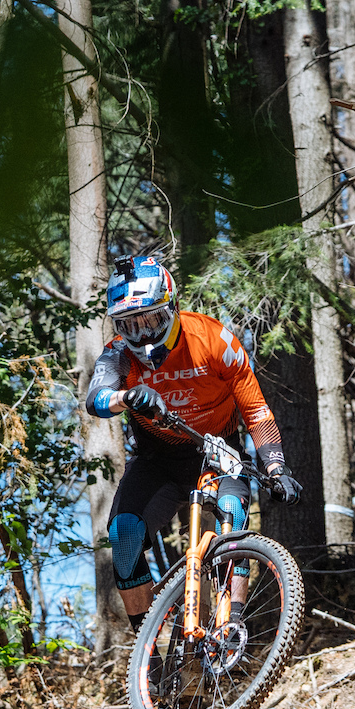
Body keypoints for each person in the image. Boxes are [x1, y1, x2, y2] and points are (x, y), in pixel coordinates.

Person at [84, 252, 302, 628]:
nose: (142, 334)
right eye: (128, 325)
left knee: (231, 524)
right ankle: (146, 648)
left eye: (151, 319)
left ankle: (230, 626)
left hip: (218, 453)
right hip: (158, 460)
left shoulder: (214, 339)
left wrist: (276, 466)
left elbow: (255, 410)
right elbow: (96, 400)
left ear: (173, 307)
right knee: (124, 535)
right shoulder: (119, 353)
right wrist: (126, 397)